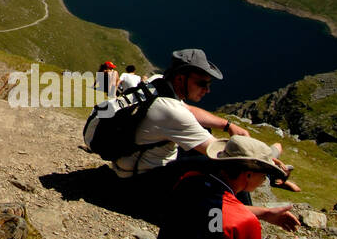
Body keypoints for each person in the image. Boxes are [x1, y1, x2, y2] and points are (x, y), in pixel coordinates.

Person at [113, 49, 298, 195]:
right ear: (180, 78)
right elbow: (225, 154)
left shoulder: (156, 84)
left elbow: (188, 110)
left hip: (128, 165)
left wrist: (228, 125)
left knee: (206, 131)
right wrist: (265, 161)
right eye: (202, 83)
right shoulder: (173, 113)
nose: (207, 90)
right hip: (139, 181)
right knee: (228, 169)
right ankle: (238, 215)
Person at [153, 136, 305, 239]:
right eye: (264, 175)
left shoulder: (189, 181)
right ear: (248, 175)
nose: (263, 180)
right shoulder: (245, 222)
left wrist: (264, 213)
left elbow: (214, 215)